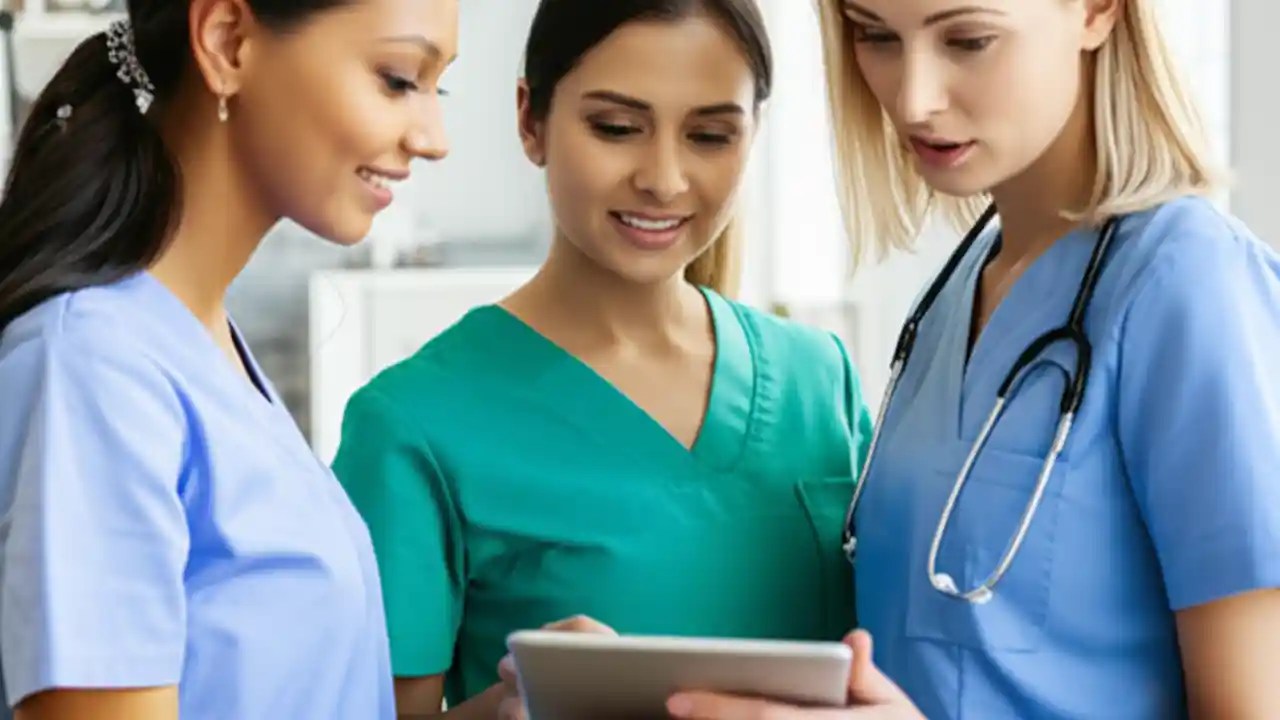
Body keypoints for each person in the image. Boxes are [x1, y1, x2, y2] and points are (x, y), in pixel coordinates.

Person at [660, 0, 1280, 718]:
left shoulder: (1189, 284)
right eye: (876, 37)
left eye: (969, 39)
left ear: (1096, 11)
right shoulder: (957, 293)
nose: (913, 99)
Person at [330, 0, 875, 717]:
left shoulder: (819, 380)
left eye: (711, 136)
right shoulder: (411, 426)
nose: (665, 179)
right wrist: (507, 707)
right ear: (531, 121)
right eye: (617, 128)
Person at [0, 0, 456, 717]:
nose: (433, 138)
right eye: (398, 79)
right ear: (228, 41)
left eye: (440, 87)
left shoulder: (200, 349)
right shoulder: (96, 370)